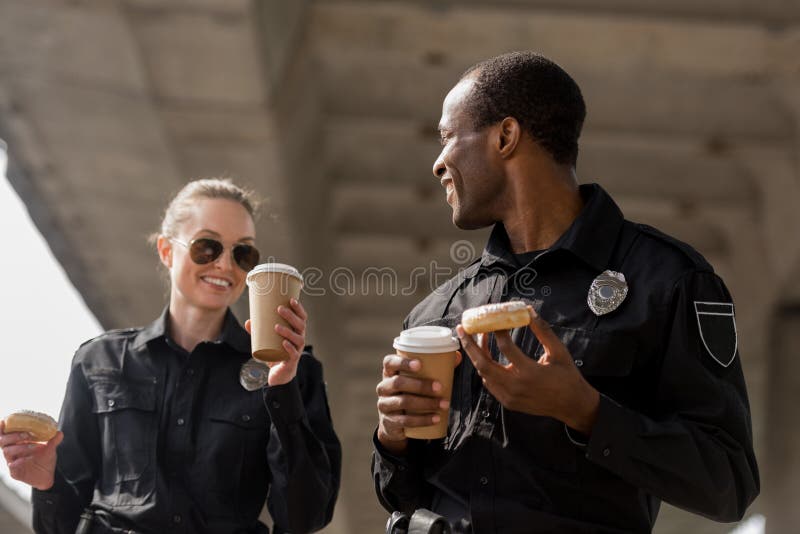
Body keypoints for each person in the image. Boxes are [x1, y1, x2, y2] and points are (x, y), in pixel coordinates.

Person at [373, 52, 759, 533]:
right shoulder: (437, 313)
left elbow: (728, 482)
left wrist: (586, 412)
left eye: (449, 137)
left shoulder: (667, 280)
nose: (437, 163)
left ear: (505, 137)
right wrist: (393, 438)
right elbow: (400, 494)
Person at [0, 178, 341, 533]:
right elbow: (60, 525)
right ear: (166, 251)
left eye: (243, 253)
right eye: (207, 246)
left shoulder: (293, 373)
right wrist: (45, 483)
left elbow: (305, 517)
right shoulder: (98, 362)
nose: (225, 265)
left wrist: (283, 388)